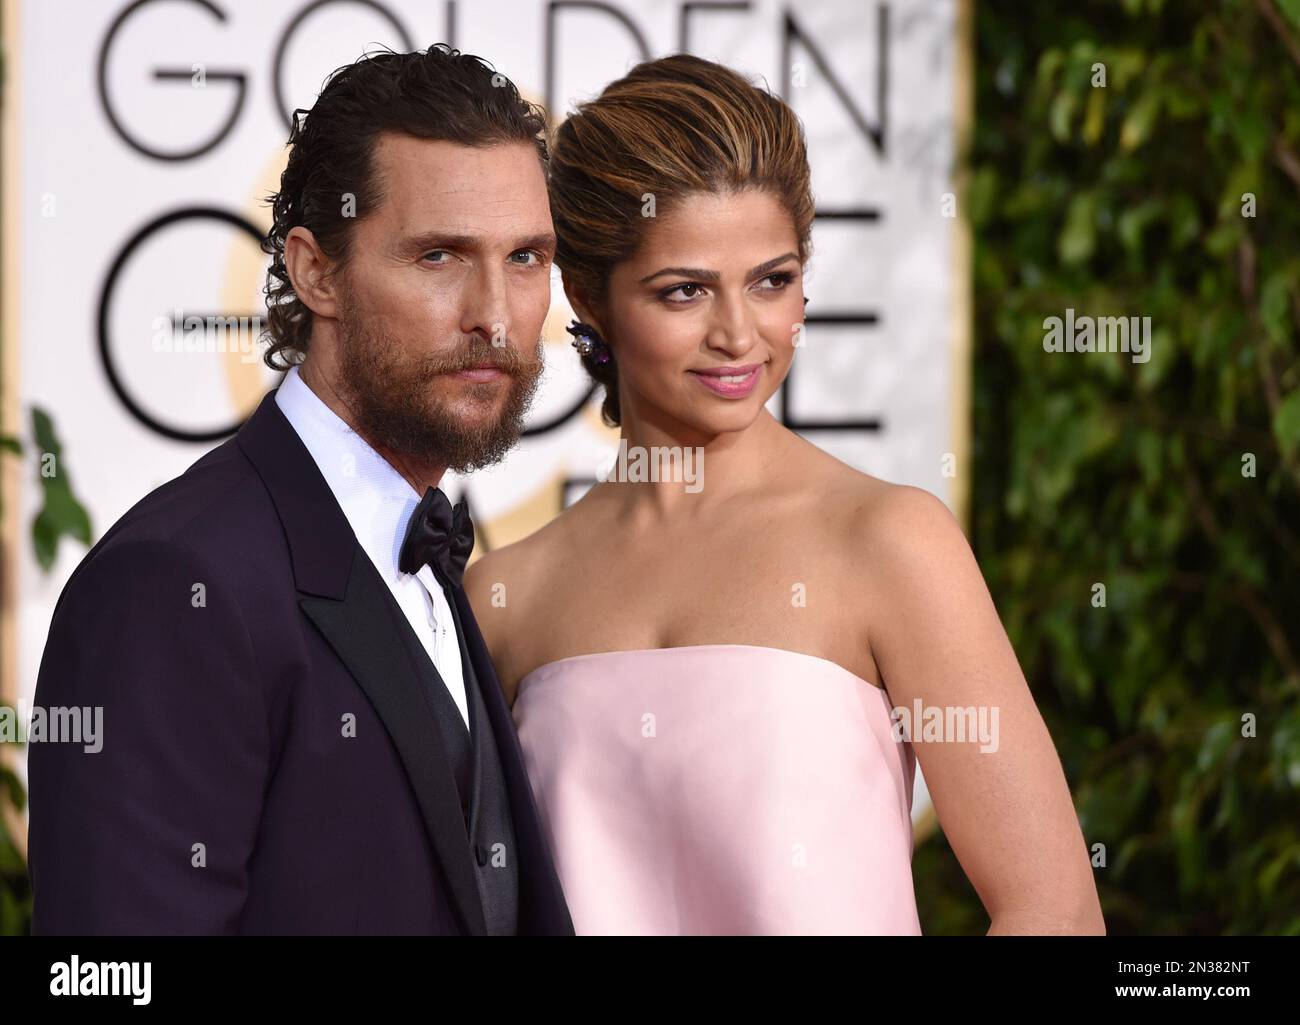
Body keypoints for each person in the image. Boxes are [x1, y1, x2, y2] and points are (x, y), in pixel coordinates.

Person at [464, 54, 1105, 935]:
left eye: (773, 280)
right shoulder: (507, 596)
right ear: (588, 296)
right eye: (684, 291)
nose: (739, 334)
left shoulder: (889, 541)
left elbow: (1054, 910)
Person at [28, 44, 573, 936]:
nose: (495, 314)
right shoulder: (175, 582)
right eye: (439, 255)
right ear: (317, 271)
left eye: (525, 257)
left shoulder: (425, 553)